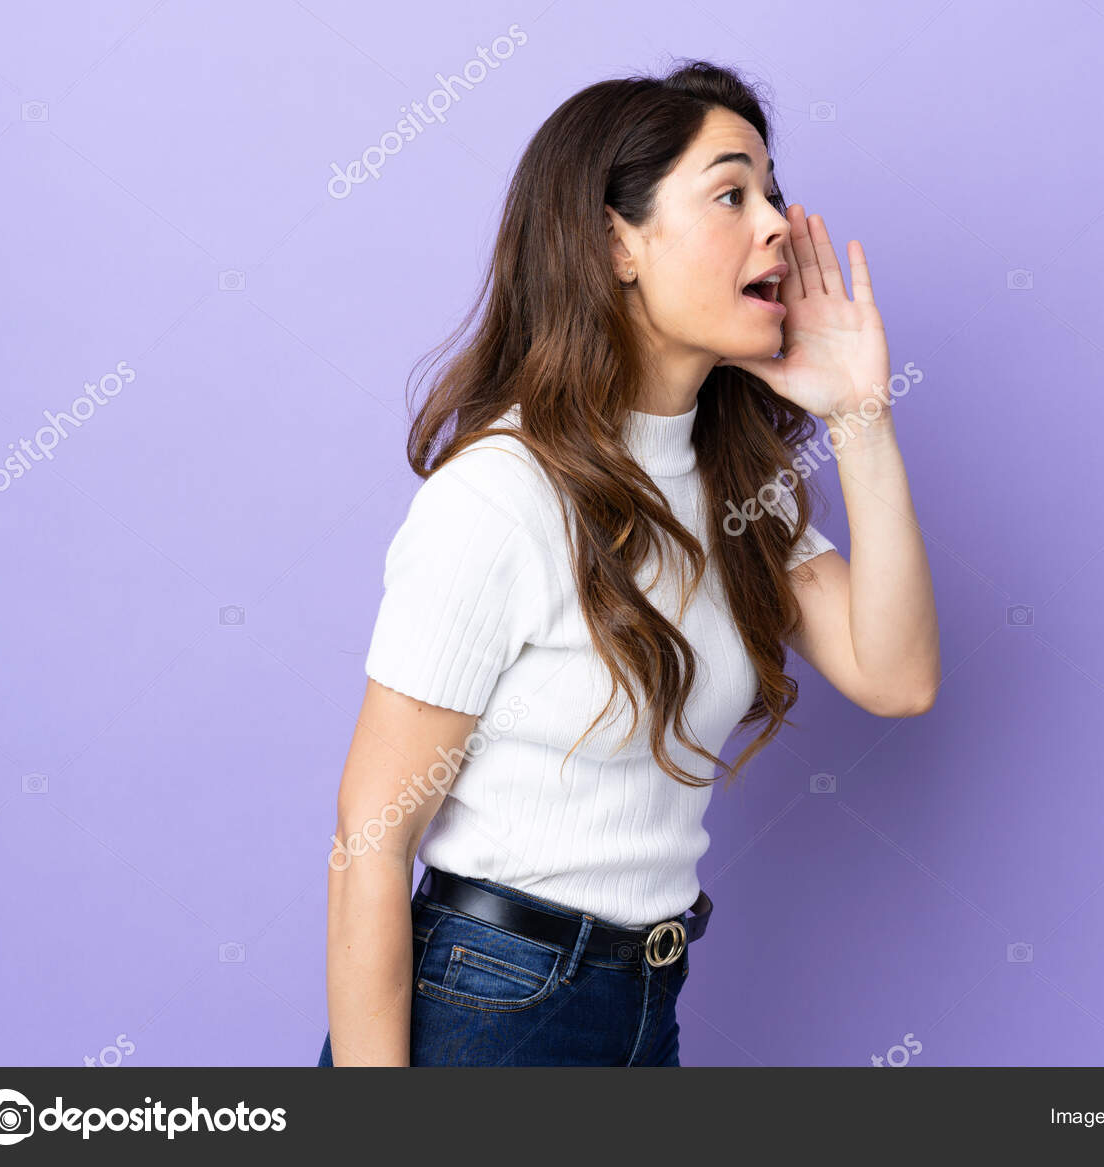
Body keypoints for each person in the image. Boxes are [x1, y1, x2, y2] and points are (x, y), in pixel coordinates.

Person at [318, 59, 939, 1067]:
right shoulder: (502, 496)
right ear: (615, 244)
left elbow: (898, 676)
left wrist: (859, 417)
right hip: (492, 1001)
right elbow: (370, 845)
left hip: (644, 996)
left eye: (771, 194)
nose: (777, 223)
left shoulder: (733, 486)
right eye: (731, 193)